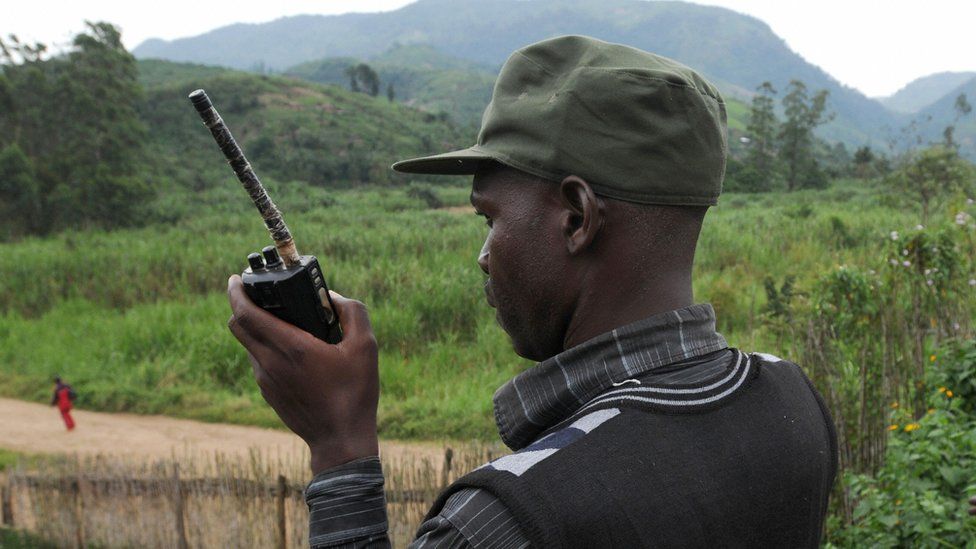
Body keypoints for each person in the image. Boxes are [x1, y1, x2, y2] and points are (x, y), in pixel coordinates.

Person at [227, 35, 837, 547]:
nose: (484, 256)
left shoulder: (505, 520)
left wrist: (339, 446)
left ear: (576, 217)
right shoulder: (792, 398)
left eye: (490, 220)